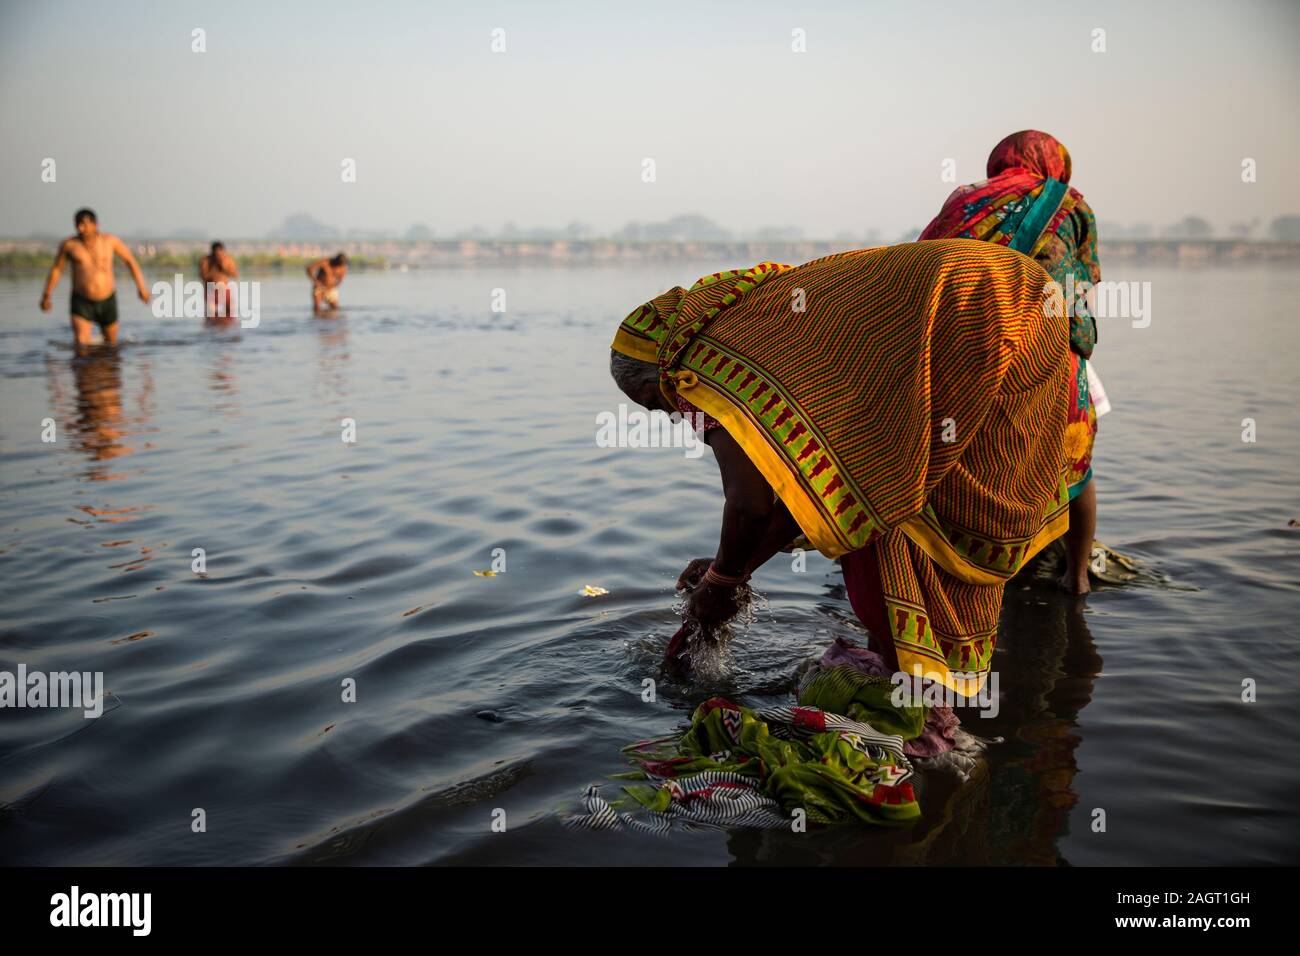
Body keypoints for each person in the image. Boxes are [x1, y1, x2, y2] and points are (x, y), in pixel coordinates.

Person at [609, 240, 1070, 700]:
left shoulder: (694, 366)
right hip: (1029, 298)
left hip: (971, 302)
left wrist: (721, 583)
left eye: (658, 403)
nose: (674, 413)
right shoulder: (756, 320)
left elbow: (750, 504)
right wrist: (734, 570)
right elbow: (814, 488)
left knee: (885, 514)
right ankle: (916, 690)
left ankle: (915, 709)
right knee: (879, 494)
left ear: (661, 370)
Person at [919, 130, 1101, 594]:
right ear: (1055, 163)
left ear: (999, 161)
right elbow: (1084, 282)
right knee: (1073, 460)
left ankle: (968, 569)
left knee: (974, 455)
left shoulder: (966, 200)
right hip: (1050, 348)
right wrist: (1080, 344)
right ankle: (1077, 576)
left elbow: (930, 260)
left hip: (972, 348)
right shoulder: (1072, 203)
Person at [40, 209, 151, 350]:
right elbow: (57, 270)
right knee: (81, 345)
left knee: (111, 346)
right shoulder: (70, 245)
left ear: (95, 224)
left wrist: (141, 288)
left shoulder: (110, 241)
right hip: (82, 301)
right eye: (77, 225)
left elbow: (130, 261)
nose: (80, 228)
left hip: (107, 300)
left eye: (84, 224)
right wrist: (47, 295)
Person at [199, 242, 239, 321]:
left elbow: (235, 274)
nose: (218, 254)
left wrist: (223, 266)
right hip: (211, 291)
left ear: (223, 251)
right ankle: (212, 331)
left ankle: (226, 330)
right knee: (211, 316)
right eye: (216, 252)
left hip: (224, 290)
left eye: (220, 252)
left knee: (231, 312)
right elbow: (203, 276)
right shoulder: (206, 260)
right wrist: (214, 270)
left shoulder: (227, 259)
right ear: (212, 252)